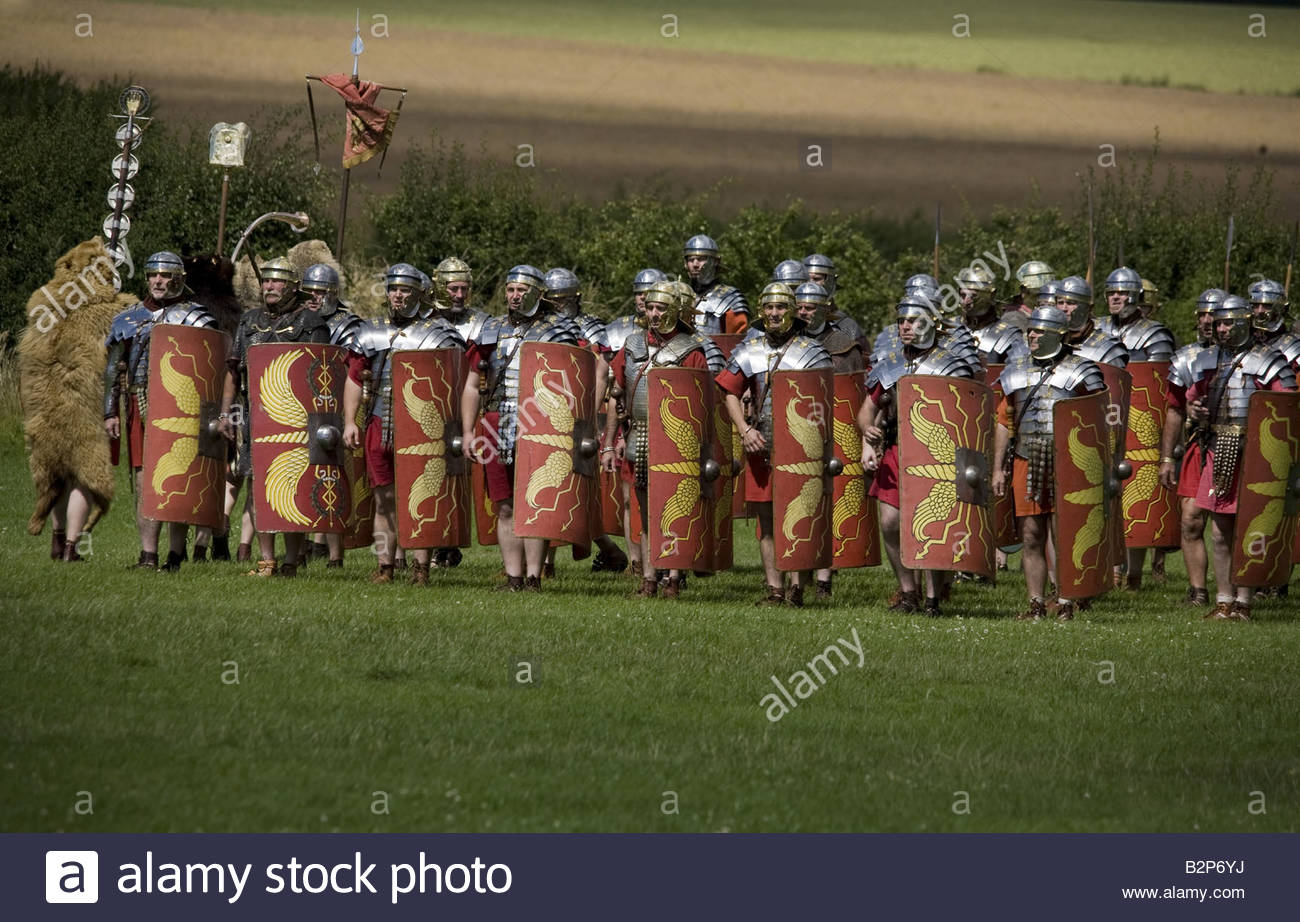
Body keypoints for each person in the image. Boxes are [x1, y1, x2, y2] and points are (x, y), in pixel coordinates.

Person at [1159, 294, 1295, 621]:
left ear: (1245, 322)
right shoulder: (1204, 361)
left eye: (1228, 322)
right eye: (1218, 322)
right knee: (1220, 531)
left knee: (1247, 529)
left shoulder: (1270, 361)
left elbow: (1288, 409)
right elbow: (1187, 402)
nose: (1221, 328)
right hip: (1217, 448)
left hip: (1256, 455)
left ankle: (1244, 601)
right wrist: (1196, 409)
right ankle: (1223, 600)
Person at [460, 265, 582, 591]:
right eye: (511, 289)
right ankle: (513, 577)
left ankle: (533, 577)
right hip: (496, 421)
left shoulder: (557, 330)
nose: (515, 296)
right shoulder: (491, 329)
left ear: (538, 293)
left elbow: (575, 378)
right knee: (503, 505)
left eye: (522, 290)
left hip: (539, 424)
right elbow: (473, 384)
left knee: (534, 501)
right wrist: (470, 431)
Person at [342, 263, 465, 585]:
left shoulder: (438, 333)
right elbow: (354, 378)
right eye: (394, 289)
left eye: (405, 290)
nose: (398, 295)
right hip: (378, 422)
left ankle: (421, 568)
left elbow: (454, 380)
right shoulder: (370, 331)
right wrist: (349, 422)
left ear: (419, 294)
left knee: (417, 495)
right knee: (383, 499)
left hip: (422, 426)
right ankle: (386, 567)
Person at [860, 294, 979, 615]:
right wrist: (868, 434)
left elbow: (971, 413)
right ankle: (908, 592)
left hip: (938, 455)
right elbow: (866, 410)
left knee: (933, 526)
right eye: (901, 321)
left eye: (912, 321)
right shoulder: (891, 363)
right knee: (889, 522)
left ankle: (933, 598)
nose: (905, 327)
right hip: (897, 450)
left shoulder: (952, 365)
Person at [603, 279, 723, 598]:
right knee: (645, 512)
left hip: (677, 442)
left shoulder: (691, 351)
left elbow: (701, 405)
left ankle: (673, 577)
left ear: (675, 311)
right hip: (640, 437)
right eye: (652, 308)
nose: (654, 314)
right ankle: (649, 578)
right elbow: (617, 392)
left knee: (674, 510)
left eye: (661, 309)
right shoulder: (632, 344)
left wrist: (704, 451)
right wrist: (609, 440)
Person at [716, 282, 831, 607]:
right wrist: (743, 430)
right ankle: (775, 589)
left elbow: (823, 403)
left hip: (801, 447)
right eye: (769, 307)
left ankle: (797, 587)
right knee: (767, 521)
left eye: (780, 307)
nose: (774, 313)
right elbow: (729, 392)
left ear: (792, 310)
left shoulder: (813, 351)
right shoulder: (749, 349)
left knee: (798, 515)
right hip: (761, 446)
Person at [103, 251, 218, 571]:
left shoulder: (195, 317)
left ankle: (175, 554)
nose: (158, 280)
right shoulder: (127, 319)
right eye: (153, 274)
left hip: (185, 408)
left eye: (165, 275)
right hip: (139, 405)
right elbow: (113, 370)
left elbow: (210, 369)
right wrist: (110, 411)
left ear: (178, 279)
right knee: (144, 481)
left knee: (178, 478)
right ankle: (148, 554)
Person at [218, 256, 331, 577]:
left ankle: (292, 561)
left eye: (276, 281)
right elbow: (232, 372)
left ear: (293, 286)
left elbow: (319, 374)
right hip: (258, 418)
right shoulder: (249, 321)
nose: (269, 286)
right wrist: (226, 414)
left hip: (297, 421)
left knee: (293, 486)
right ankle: (267, 560)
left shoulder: (311, 323)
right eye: (266, 280)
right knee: (259, 488)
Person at [992, 306, 1107, 621]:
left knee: (1065, 531)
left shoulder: (1082, 371)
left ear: (1057, 333)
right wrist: (998, 467)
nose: (1031, 335)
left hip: (1069, 463)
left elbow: (1100, 419)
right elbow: (1005, 422)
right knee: (1031, 534)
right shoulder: (1015, 371)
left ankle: (1067, 600)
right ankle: (1036, 603)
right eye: (1030, 329)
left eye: (1038, 330)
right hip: (1026, 459)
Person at [539, 267, 629, 575]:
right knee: (551, 482)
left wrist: (588, 419)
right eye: (551, 299)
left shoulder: (594, 329)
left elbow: (603, 373)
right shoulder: (541, 327)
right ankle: (550, 561)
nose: (557, 305)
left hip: (585, 414)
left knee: (581, 489)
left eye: (562, 300)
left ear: (576, 299)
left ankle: (551, 562)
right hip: (546, 412)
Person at [301, 262, 364, 568]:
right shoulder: (298, 321)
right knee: (302, 474)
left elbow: (352, 369)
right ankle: (306, 543)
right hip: (302, 408)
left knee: (335, 478)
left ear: (333, 294)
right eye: (309, 291)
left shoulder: (350, 325)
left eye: (320, 292)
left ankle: (335, 554)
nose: (313, 297)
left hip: (336, 408)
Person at [1166, 288, 1224, 606]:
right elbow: (1174, 409)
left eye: (1212, 315)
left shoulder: (1251, 358)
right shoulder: (1186, 359)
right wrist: (1165, 456)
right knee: (1190, 519)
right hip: (1196, 447)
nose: (1206, 320)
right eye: (1201, 314)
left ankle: (1238, 592)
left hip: (1234, 447)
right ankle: (1198, 591)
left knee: (1230, 525)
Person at [1095, 267, 1176, 361]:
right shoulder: (1096, 328)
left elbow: (1156, 373)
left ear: (1134, 295)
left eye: (1122, 292)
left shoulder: (1154, 335)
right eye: (1111, 293)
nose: (1115, 297)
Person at [684, 234, 749, 335]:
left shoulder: (729, 298)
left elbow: (736, 342)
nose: (695, 264)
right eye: (691, 260)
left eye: (701, 259)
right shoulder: (679, 295)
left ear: (715, 261)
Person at [803, 253, 865, 347]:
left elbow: (862, 360)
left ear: (830, 281)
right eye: (806, 279)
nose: (810, 284)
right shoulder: (791, 321)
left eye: (816, 279)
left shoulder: (847, 325)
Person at [1001, 261, 1055, 330]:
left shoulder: (1042, 313)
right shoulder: (1013, 318)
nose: (1045, 297)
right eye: (1038, 291)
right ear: (1023, 291)